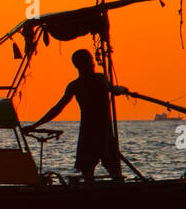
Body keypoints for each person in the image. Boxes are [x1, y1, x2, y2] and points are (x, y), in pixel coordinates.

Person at [24, 49, 127, 183]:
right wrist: (35, 125)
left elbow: (112, 89)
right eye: (89, 60)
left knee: (113, 170)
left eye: (91, 60)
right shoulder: (78, 85)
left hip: (104, 133)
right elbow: (57, 109)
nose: (93, 63)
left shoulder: (99, 79)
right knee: (88, 171)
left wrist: (121, 89)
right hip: (89, 134)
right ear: (80, 64)